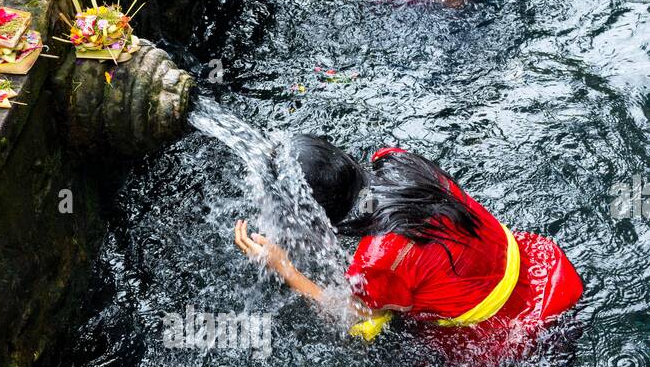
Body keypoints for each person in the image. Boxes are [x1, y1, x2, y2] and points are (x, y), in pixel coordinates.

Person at [234, 138, 583, 348]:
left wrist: (285, 268)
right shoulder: (396, 160)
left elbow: (350, 314)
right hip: (548, 270)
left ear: (315, 216)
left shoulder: (377, 261)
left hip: (513, 332)